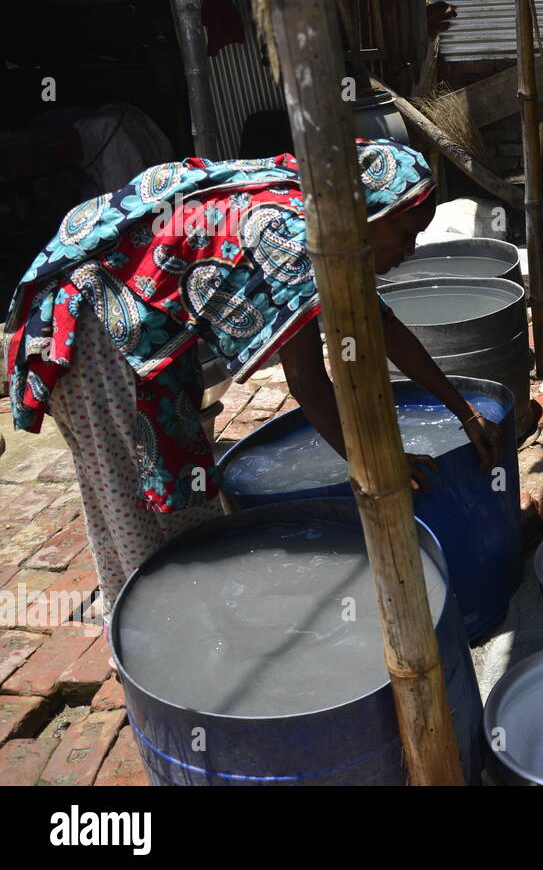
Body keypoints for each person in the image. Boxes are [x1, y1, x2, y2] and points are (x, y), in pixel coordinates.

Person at [4, 139, 501, 616]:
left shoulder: (334, 229)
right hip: (90, 326)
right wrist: (380, 461)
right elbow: (308, 381)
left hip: (141, 327)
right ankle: (153, 638)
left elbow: (383, 326)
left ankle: (192, 608)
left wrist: (464, 410)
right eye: (408, 232)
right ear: (368, 215)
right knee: (125, 497)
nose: (411, 250)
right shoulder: (289, 239)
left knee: (181, 479)